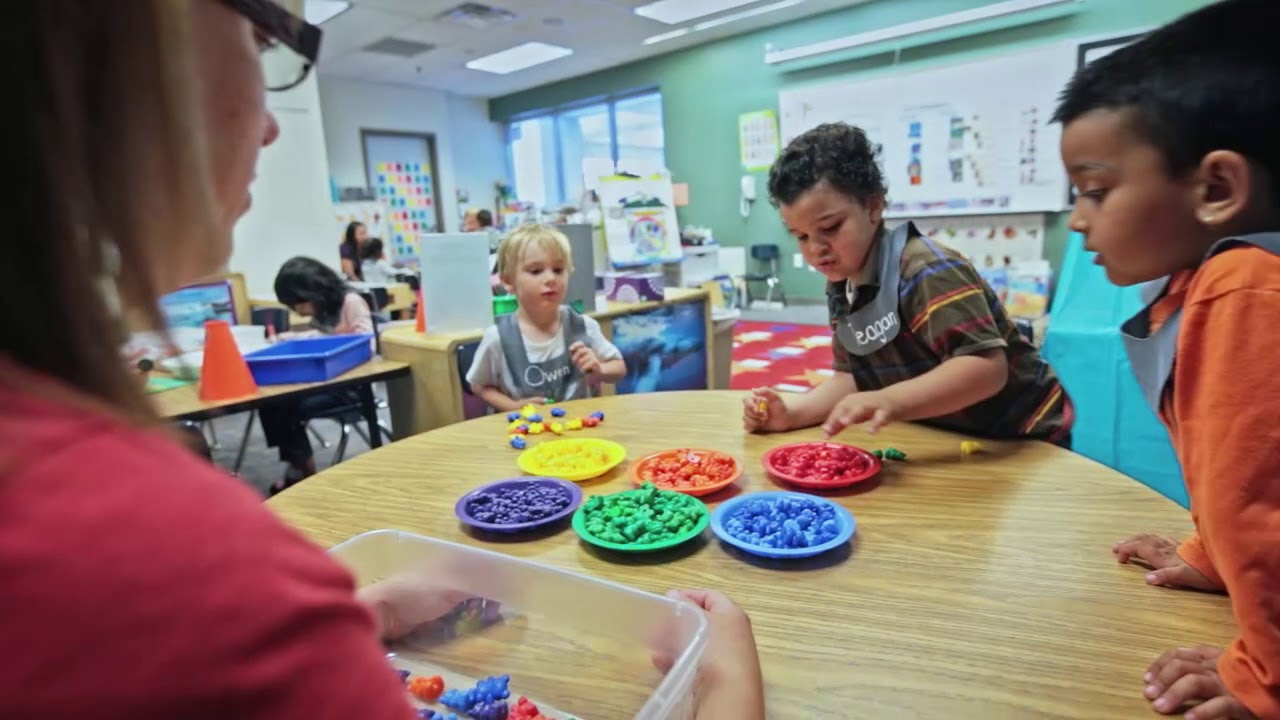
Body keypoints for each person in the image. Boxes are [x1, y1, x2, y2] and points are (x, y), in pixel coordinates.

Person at [1, 3, 762, 717]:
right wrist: (725, 682)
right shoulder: (188, 566)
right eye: (266, 40)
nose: (271, 126)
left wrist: (368, 615)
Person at [1054, 1, 1280, 717]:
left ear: (1216, 188)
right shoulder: (1211, 279)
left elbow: (1260, 515)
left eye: (1096, 191)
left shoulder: (1239, 291)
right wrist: (1211, 555)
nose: (1078, 218)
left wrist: (1260, 677)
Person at [743, 123, 1071, 444]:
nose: (815, 248)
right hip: (954, 436)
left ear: (873, 206)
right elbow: (853, 379)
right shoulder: (843, 284)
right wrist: (792, 414)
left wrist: (890, 400)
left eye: (830, 227)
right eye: (801, 236)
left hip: (1024, 432)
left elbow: (985, 369)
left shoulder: (925, 270)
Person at [467, 224, 626, 411]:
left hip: (579, 430)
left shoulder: (583, 326)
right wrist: (513, 406)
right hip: (524, 433)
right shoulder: (498, 338)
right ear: (508, 281)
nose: (551, 278)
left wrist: (599, 368)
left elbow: (619, 367)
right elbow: (479, 385)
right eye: (535, 271)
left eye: (558, 270)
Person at [261, 256, 373, 489]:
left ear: (314, 291)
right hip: (325, 379)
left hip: (350, 387)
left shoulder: (350, 302)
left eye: (298, 303)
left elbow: (367, 343)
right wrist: (291, 338)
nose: (298, 310)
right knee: (270, 402)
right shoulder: (324, 309)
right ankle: (297, 463)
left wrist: (329, 342)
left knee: (289, 405)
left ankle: (305, 472)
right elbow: (319, 336)